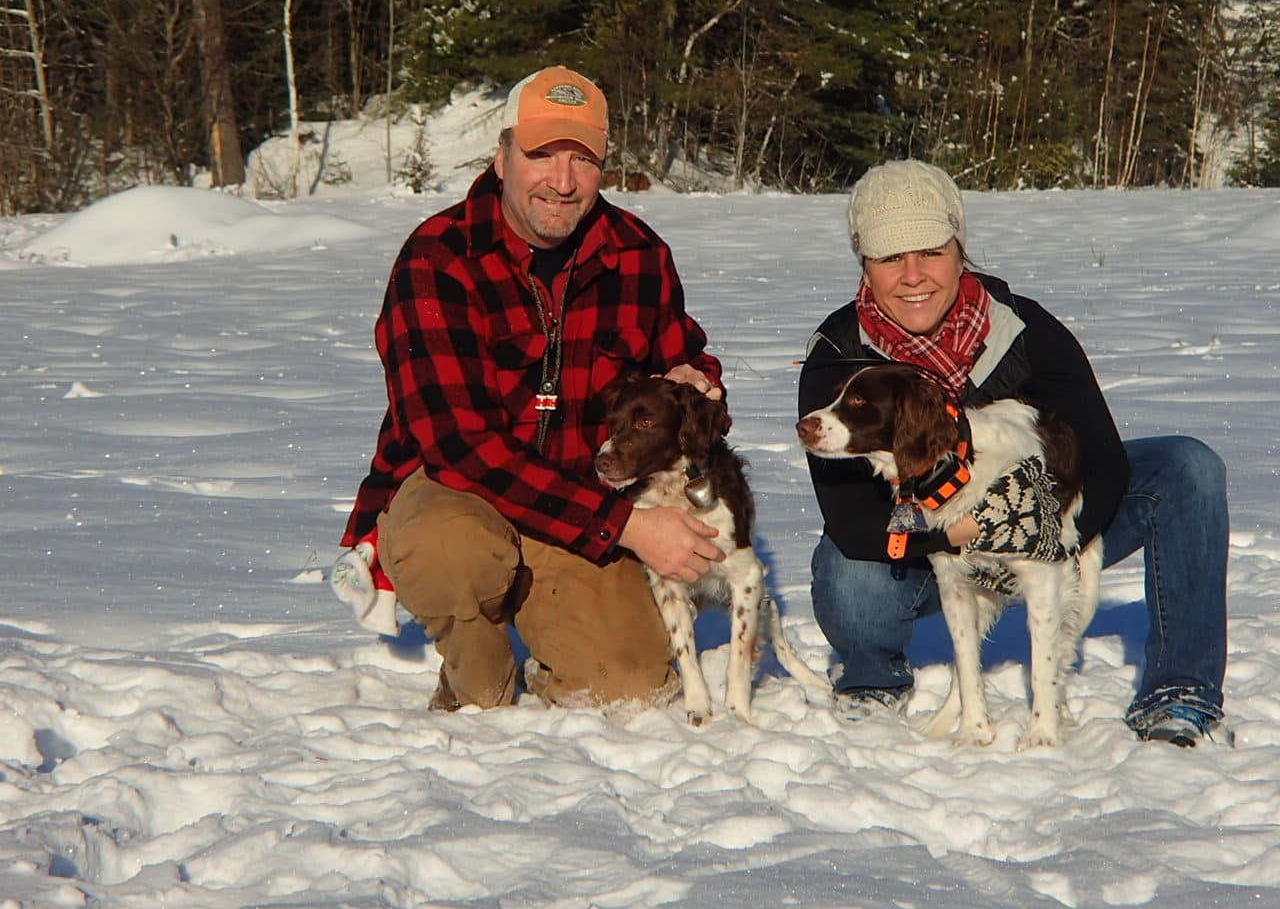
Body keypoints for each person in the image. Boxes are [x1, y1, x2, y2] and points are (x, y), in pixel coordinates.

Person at [797, 159, 1228, 747]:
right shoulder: (839, 353)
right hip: (925, 549)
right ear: (862, 261)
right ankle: (873, 680)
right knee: (846, 572)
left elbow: (1102, 458)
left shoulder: (1022, 328)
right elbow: (851, 520)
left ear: (960, 251)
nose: (913, 275)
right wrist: (959, 537)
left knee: (1186, 468)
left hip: (1049, 525)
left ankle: (1180, 690)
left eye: (932, 252)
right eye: (890, 257)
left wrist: (1048, 536)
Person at [334, 65, 726, 711]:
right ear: (502, 157)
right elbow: (459, 447)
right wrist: (628, 526)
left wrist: (699, 384)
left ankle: (549, 624)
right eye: (542, 155)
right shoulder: (438, 258)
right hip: (457, 495)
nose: (562, 182)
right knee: (453, 551)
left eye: (583, 160)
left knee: (629, 685)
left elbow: (684, 367)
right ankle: (475, 670)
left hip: (579, 501)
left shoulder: (638, 255)